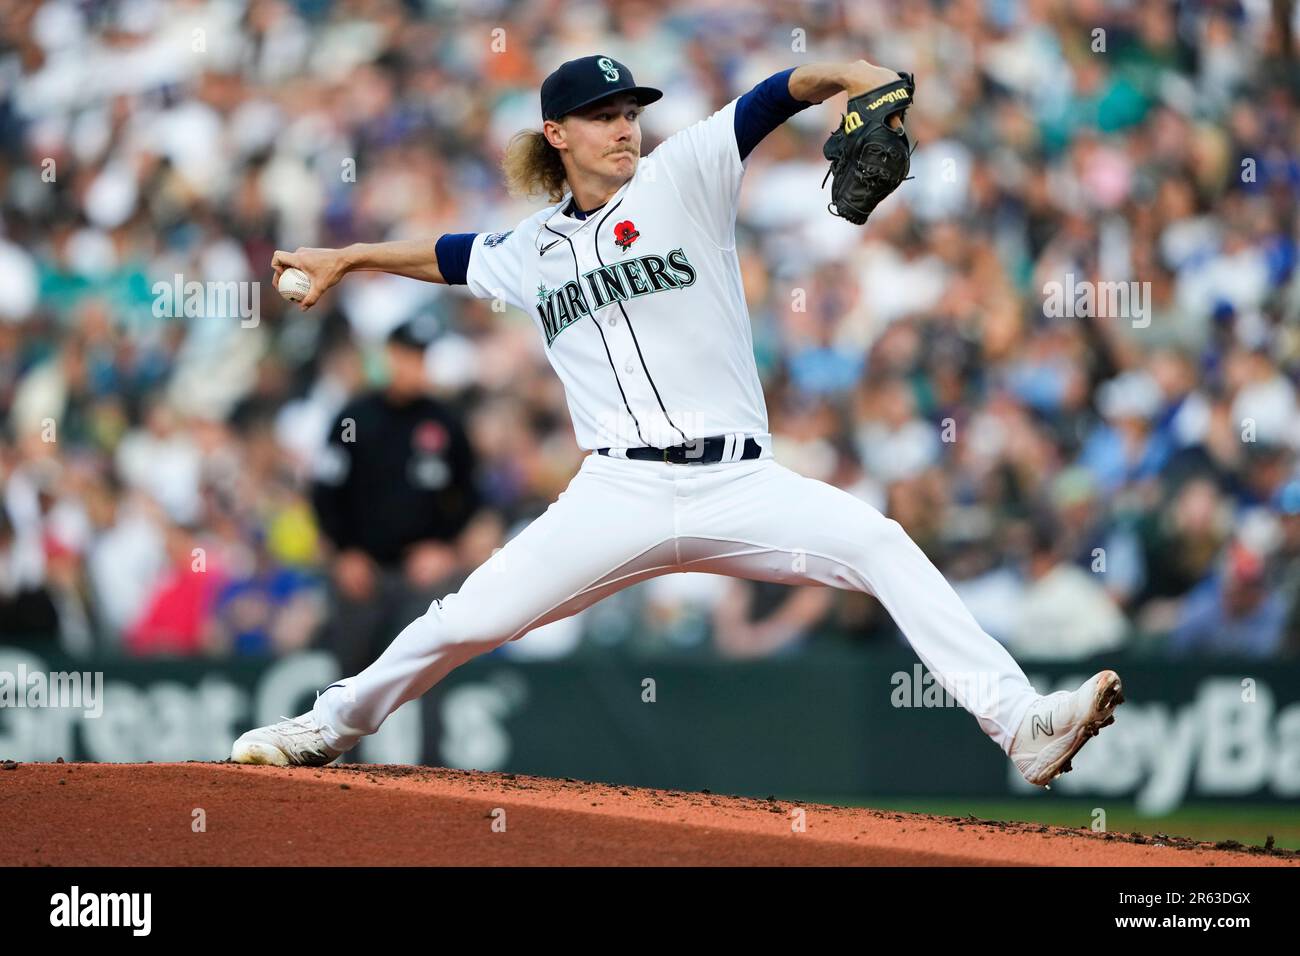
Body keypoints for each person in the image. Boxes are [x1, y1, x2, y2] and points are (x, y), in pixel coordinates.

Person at [232, 55, 1124, 787]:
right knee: (465, 620)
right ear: (557, 134)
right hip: (617, 487)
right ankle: (326, 726)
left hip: (739, 481)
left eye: (630, 109)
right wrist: (348, 256)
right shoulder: (530, 250)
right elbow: (448, 253)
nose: (626, 125)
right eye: (603, 113)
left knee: (882, 543)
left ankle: (1020, 724)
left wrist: (858, 75)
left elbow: (780, 92)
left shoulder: (685, 173)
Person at [310, 317, 481, 674]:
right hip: (361, 573)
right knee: (350, 680)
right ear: (389, 357)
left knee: (426, 673)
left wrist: (445, 548)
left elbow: (470, 494)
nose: (413, 367)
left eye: (421, 358)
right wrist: (344, 553)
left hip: (421, 574)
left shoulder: (445, 422)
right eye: (406, 356)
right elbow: (325, 490)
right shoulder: (354, 418)